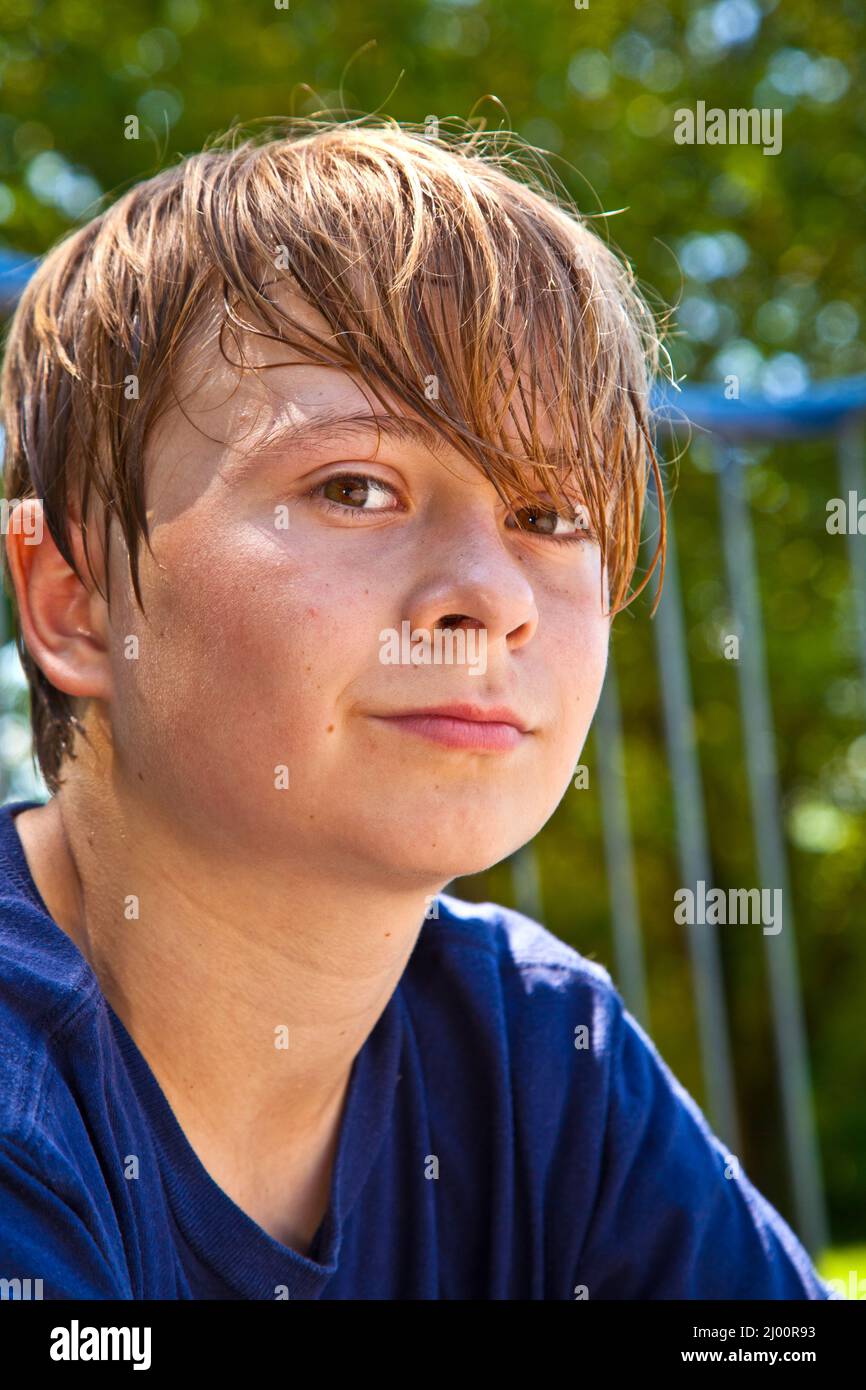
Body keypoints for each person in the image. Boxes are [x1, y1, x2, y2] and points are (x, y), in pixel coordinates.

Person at [0, 117, 832, 1299]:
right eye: (354, 487)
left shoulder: (536, 1051)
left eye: (548, 516)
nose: (491, 599)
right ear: (75, 600)